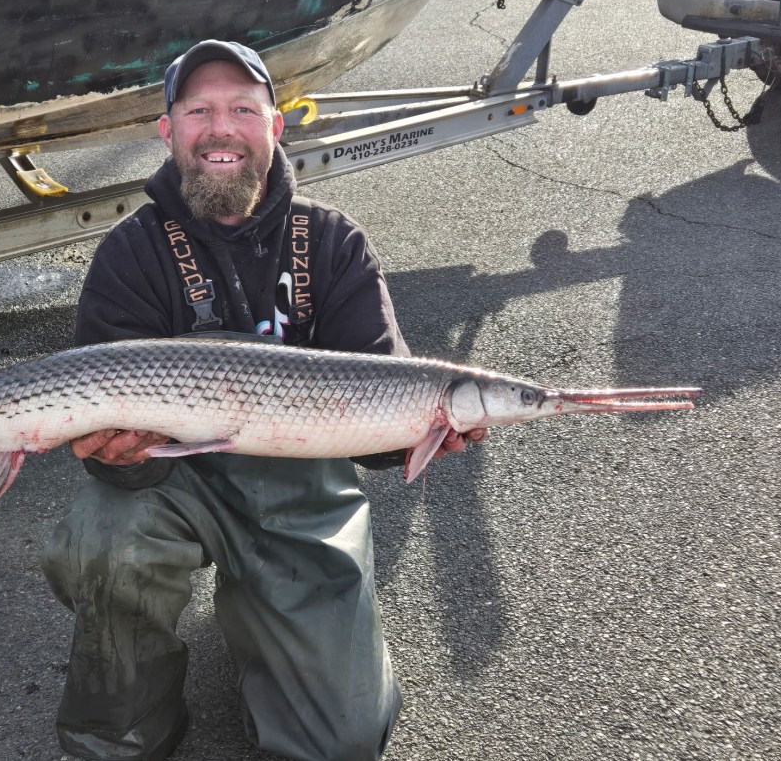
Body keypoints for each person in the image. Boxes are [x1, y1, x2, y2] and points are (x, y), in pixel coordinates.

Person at [41, 40, 485, 761]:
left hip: (301, 490)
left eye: (243, 109)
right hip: (173, 482)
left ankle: (269, 632)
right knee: (106, 536)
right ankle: (122, 732)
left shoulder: (334, 241)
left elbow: (376, 423)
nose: (222, 129)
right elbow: (108, 452)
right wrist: (119, 459)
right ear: (169, 130)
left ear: (275, 126)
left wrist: (416, 435)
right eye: (200, 111)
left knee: (341, 743)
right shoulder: (131, 250)